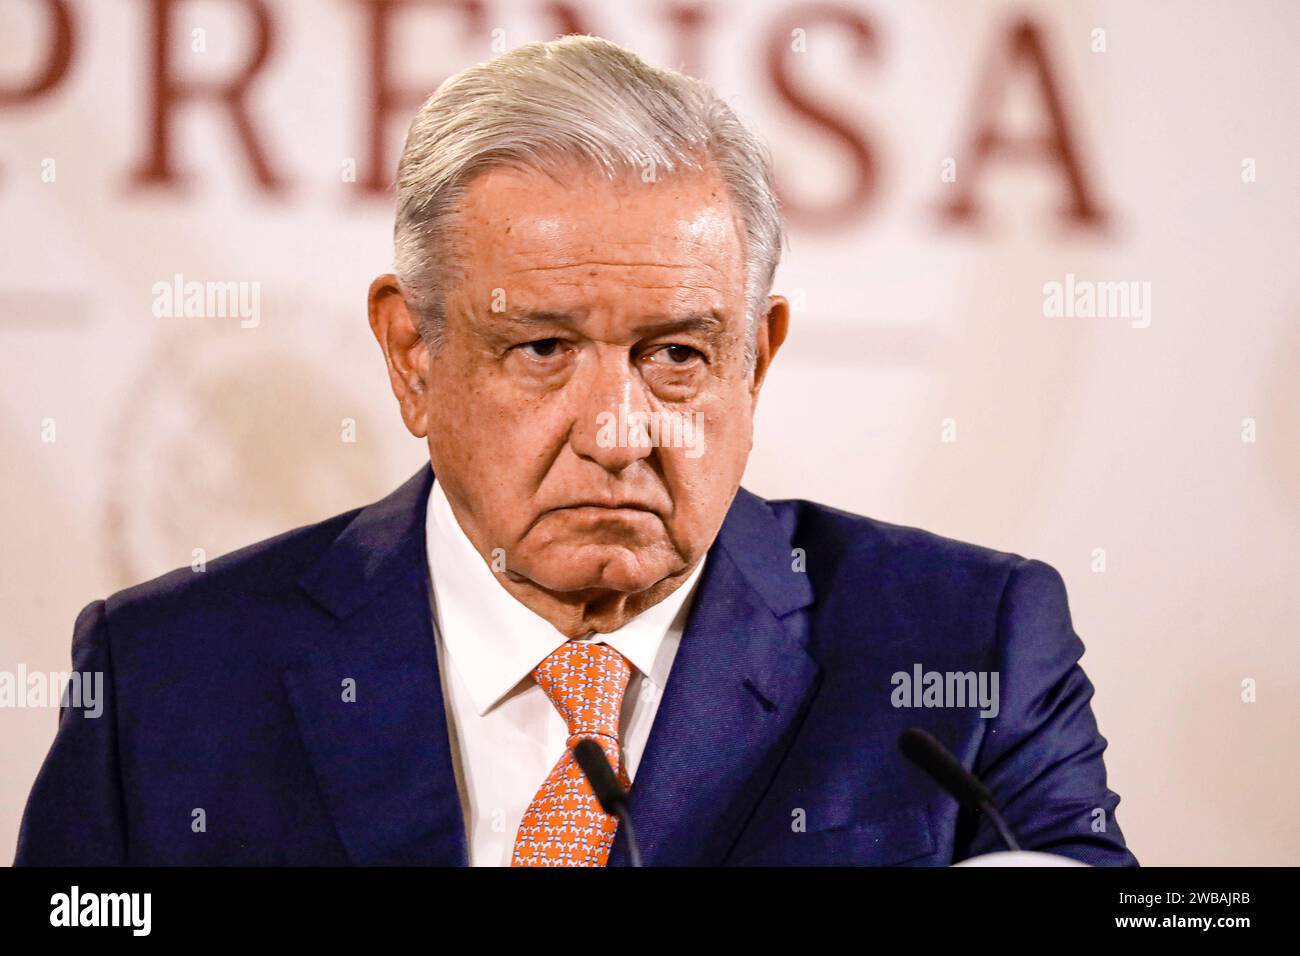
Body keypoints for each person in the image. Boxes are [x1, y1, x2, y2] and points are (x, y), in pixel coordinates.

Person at [15, 35, 1135, 867]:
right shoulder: (171, 679)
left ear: (757, 357)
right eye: (542, 348)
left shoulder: (965, 648)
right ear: (412, 356)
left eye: (678, 355)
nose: (615, 432)